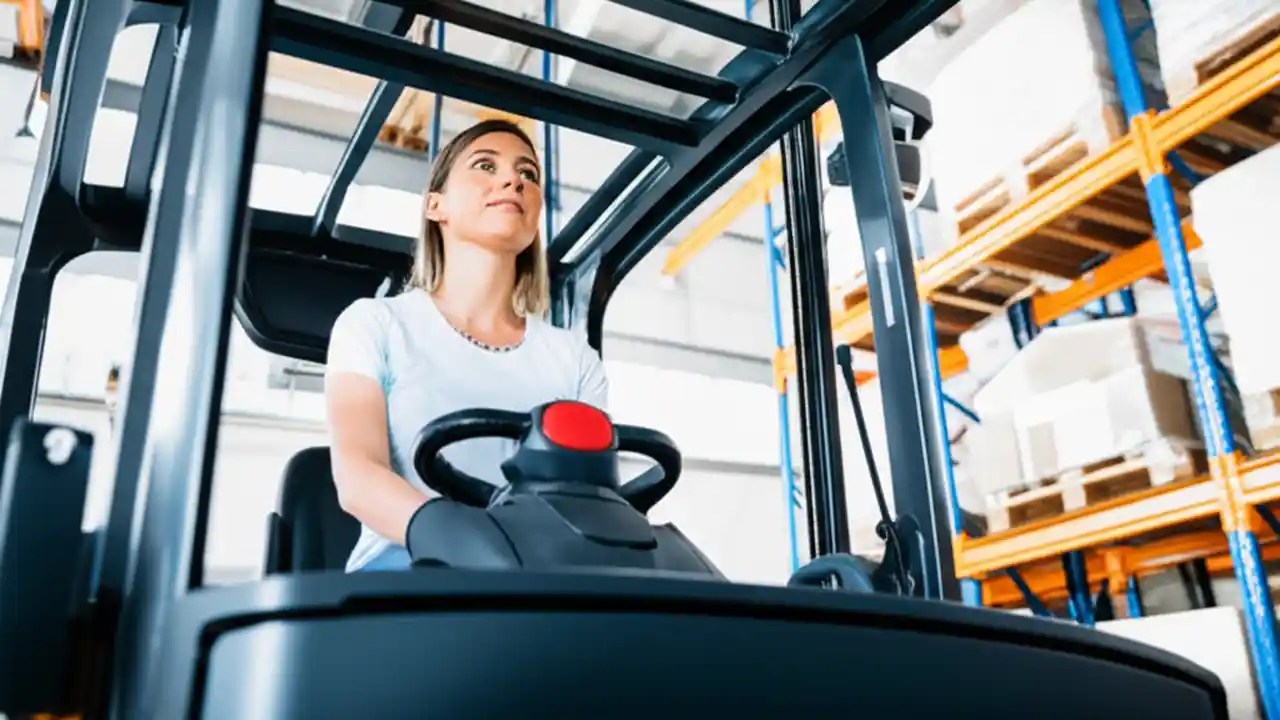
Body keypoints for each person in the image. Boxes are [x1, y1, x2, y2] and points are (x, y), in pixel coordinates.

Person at [323, 119, 608, 572]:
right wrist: (464, 539)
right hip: (408, 568)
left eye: (528, 174)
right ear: (436, 206)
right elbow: (358, 477)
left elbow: (586, 498)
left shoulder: (574, 359)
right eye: (485, 165)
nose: (513, 180)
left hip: (535, 576)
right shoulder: (376, 324)